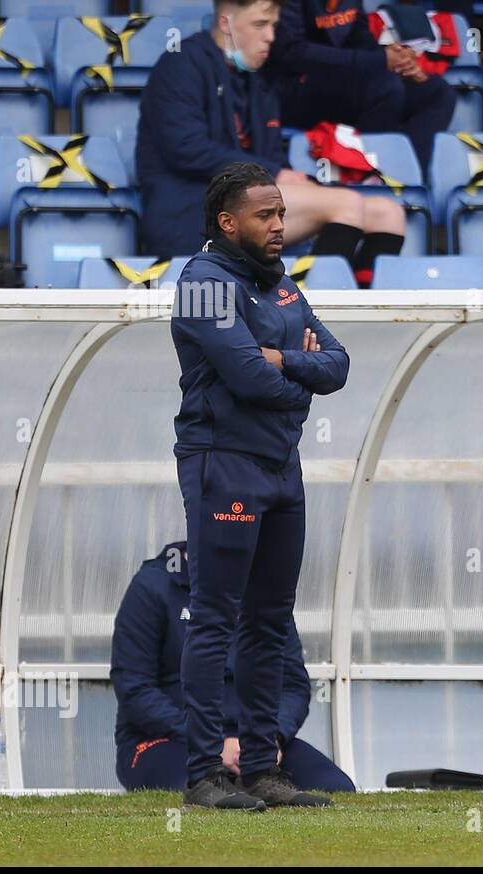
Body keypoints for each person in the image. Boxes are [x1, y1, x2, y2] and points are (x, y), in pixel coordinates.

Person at [172, 161, 350, 810]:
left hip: (281, 467)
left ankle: (262, 768)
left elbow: (339, 363)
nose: (279, 225)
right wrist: (293, 377)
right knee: (216, 617)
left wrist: (288, 362)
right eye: (264, 216)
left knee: (270, 621)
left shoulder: (280, 285)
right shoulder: (201, 283)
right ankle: (204, 776)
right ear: (228, 222)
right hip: (226, 464)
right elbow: (249, 379)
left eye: (280, 214)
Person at [137, 0, 406, 285]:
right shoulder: (182, 63)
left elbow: (272, 155)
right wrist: (275, 174)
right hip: (192, 211)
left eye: (273, 26)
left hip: (247, 202)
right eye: (259, 25)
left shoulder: (260, 80)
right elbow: (186, 148)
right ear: (227, 23)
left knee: (388, 213)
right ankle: (306, 309)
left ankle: (362, 304)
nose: (270, 36)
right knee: (345, 203)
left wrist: (292, 178)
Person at [111, 541, 354, 794]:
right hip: (166, 741)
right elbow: (134, 687)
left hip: (257, 742)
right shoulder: (153, 586)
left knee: (336, 788)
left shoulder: (265, 590)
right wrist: (213, 743)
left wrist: (270, 738)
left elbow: (293, 686)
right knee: (208, 794)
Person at [265, 0, 457, 170]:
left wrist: (397, 59)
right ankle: (372, 176)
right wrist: (378, 60)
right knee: (385, 88)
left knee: (438, 92)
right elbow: (293, 53)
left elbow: (358, 32)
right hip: (294, 87)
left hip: (346, 79)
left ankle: (405, 173)